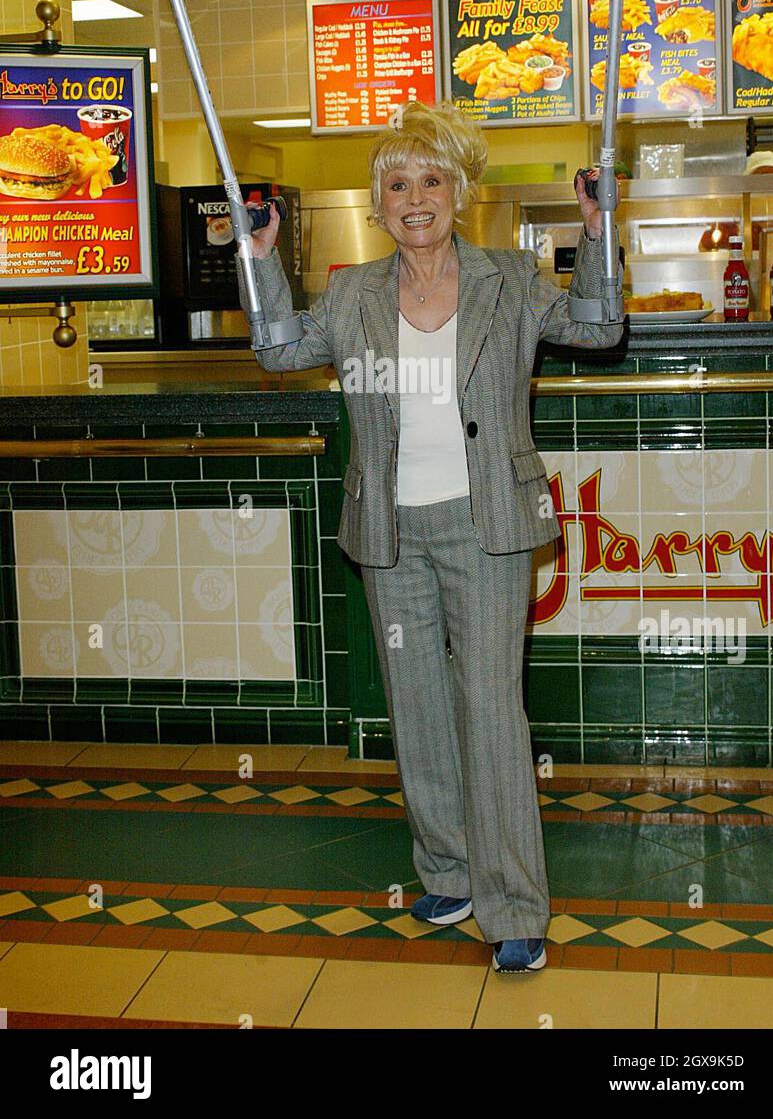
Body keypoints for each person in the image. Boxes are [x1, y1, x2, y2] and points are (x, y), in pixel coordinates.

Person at [236, 101, 624, 974]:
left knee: (490, 710)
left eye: (432, 179)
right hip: (392, 530)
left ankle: (515, 904)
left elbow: (598, 327)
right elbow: (277, 349)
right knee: (417, 708)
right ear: (378, 205)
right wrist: (260, 262)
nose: (416, 197)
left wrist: (598, 229)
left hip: (489, 525)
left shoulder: (510, 280)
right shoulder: (352, 293)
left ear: (461, 191)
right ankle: (446, 868)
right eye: (398, 183)